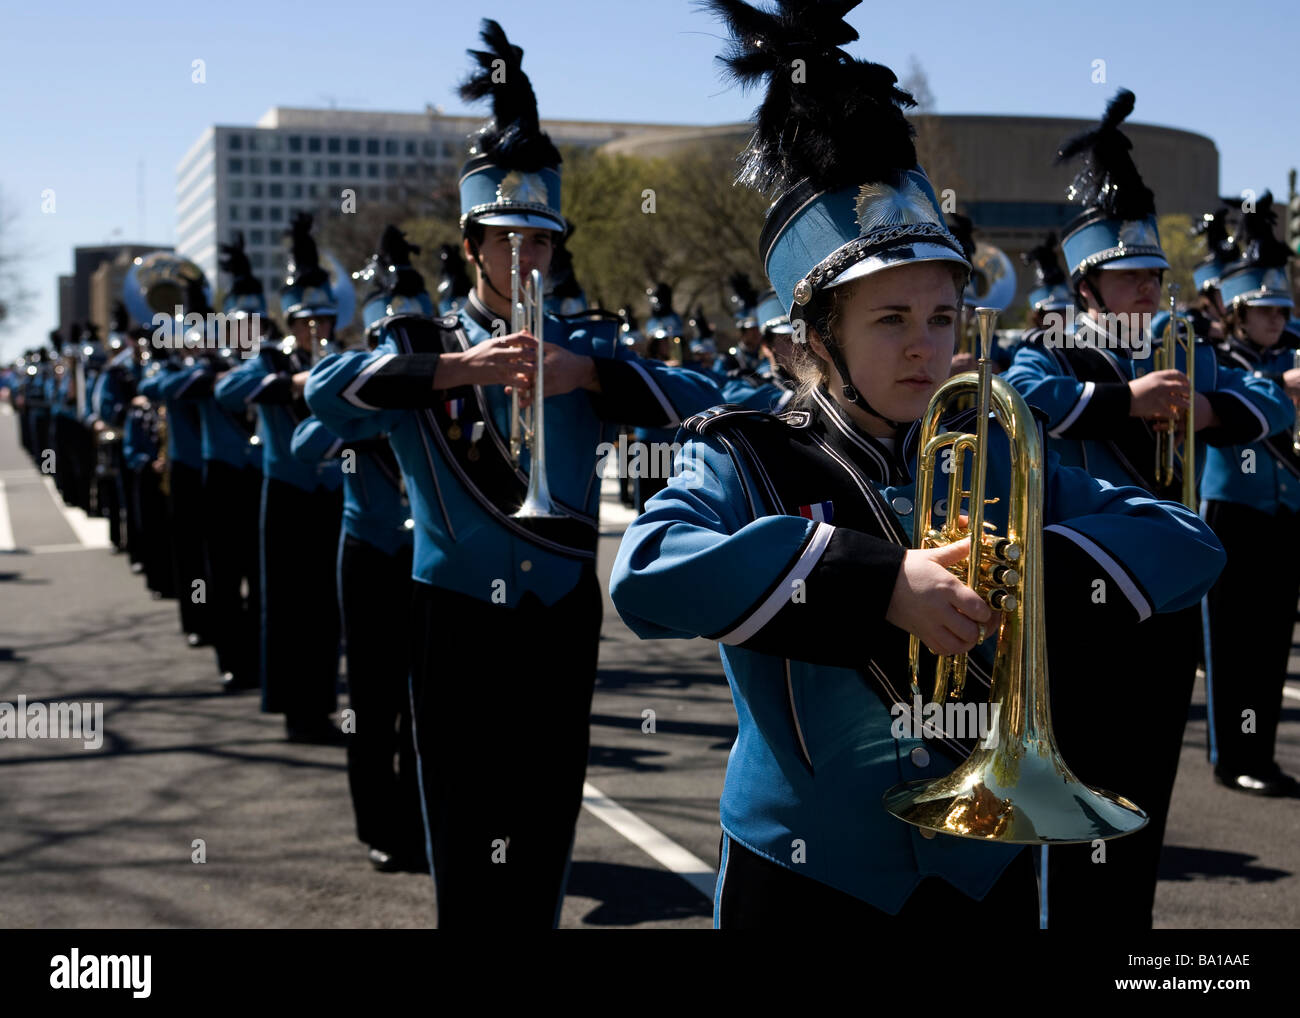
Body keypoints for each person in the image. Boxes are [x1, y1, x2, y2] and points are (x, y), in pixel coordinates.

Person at [610, 0, 1226, 930]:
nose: (925, 350)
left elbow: (1185, 546)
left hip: (983, 868)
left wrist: (1013, 563)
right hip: (808, 876)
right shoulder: (747, 449)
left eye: (941, 319)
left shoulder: (994, 457)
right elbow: (650, 577)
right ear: (820, 334)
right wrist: (878, 579)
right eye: (890, 321)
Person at [304, 18, 720, 927]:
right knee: (463, 814)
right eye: (507, 241)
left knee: (544, 810)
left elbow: (710, 400)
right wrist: (460, 371)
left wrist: (590, 374)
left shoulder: (588, 345)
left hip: (558, 613)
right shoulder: (419, 341)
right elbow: (325, 399)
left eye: (542, 241)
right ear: (469, 246)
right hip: (452, 609)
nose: (527, 258)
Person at [1000, 89, 1293, 927]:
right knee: (1072, 786)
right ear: (1088, 286)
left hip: (1161, 592)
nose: (1145, 292)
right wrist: (1128, 402)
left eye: (1153, 277)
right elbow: (1022, 405)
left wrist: (1205, 411)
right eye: (1129, 279)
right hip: (1076, 591)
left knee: (1141, 787)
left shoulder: (1182, 346)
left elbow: (1267, 402)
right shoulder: (1048, 344)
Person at [294, 225, 429, 870]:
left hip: (433, 555)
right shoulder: (349, 384)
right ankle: (381, 824)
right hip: (371, 553)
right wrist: (376, 420)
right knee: (374, 701)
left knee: (428, 699)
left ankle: (430, 820)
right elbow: (302, 446)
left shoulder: (447, 383)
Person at [214, 213, 347, 743]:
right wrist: (293, 381)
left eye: (324, 319)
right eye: (306, 320)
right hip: (287, 493)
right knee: (289, 604)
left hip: (334, 491)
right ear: (290, 322)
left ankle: (324, 705)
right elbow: (227, 394)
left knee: (326, 608)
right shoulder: (268, 359)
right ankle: (297, 711)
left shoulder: (343, 359)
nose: (316, 329)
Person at [1201, 194, 1300, 796]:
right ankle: (1230, 755)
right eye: (1263, 310)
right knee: (1232, 644)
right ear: (1237, 310)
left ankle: (1261, 755)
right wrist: (1277, 387)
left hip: (1286, 512)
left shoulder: (1291, 352)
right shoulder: (1217, 357)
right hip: (1231, 512)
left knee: (1272, 641)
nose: (1274, 319)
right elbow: (1220, 403)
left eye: (1281, 308)